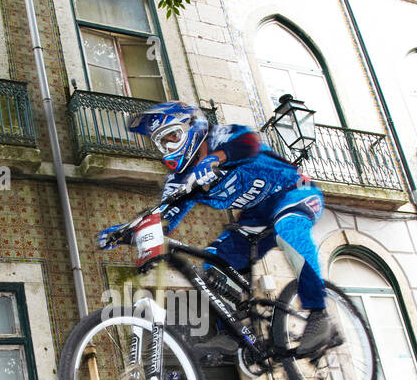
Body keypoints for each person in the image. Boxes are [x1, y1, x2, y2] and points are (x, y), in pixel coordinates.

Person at [116, 100, 334, 362]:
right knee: (214, 262)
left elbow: (250, 142)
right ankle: (233, 333)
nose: (167, 148)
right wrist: (125, 232)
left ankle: (319, 314)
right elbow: (165, 216)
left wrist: (216, 159)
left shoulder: (220, 136)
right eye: (162, 144)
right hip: (255, 217)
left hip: (293, 192)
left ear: (190, 129)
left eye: (172, 137)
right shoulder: (181, 179)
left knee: (288, 226)